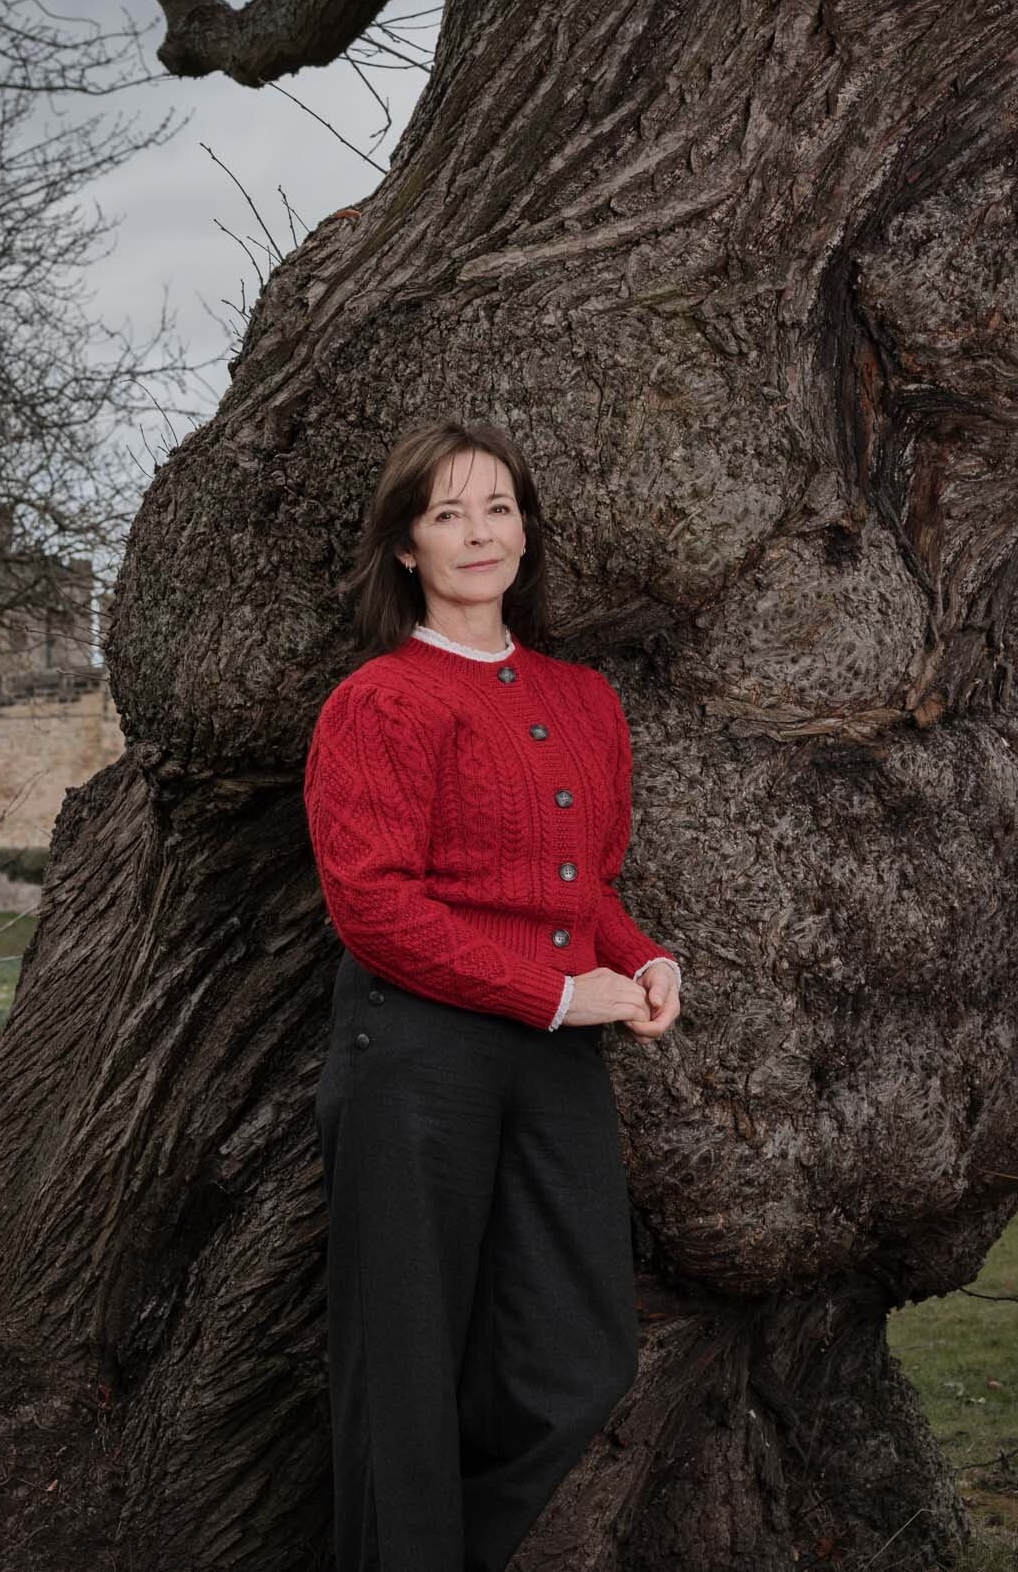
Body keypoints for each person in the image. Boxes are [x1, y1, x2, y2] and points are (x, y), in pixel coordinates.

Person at [304, 416, 682, 1571]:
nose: (479, 533)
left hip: (550, 1053)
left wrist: (642, 952)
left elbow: (582, 886)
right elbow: (373, 907)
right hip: (414, 1054)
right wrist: (563, 994)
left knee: (579, 1357)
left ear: (526, 528)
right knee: (404, 1369)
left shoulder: (580, 698)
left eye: (498, 507)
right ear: (407, 546)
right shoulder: (380, 702)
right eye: (448, 512)